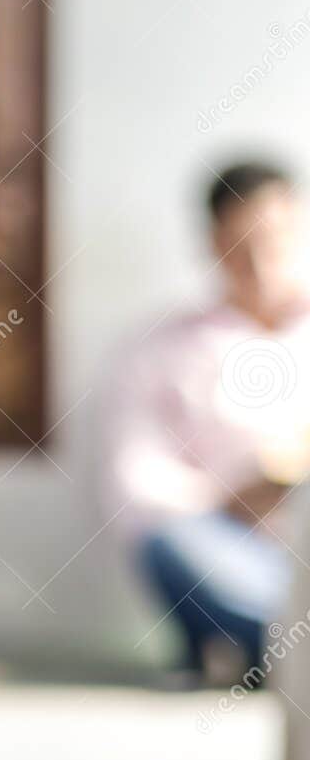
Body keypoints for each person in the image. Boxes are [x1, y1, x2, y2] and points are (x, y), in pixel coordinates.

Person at [100, 161, 310, 681]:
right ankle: (272, 648)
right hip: (232, 551)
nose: (261, 266)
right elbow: (133, 485)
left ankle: (264, 654)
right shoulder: (163, 347)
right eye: (242, 247)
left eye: (275, 242)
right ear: (214, 243)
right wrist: (235, 497)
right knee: (170, 544)